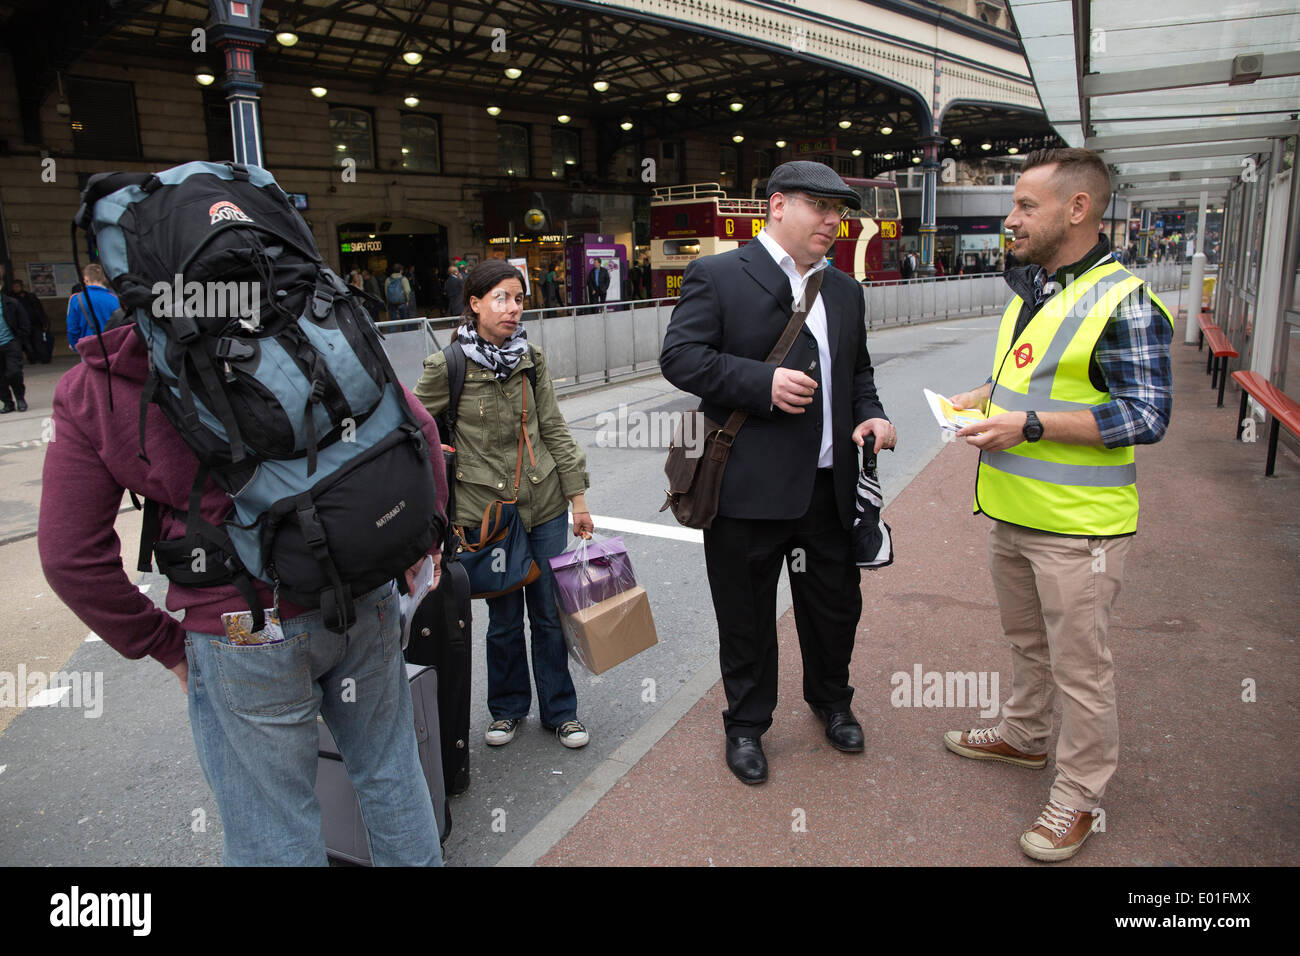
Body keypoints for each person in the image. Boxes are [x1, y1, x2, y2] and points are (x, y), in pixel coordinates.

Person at [37, 317, 449, 866]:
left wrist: (162, 644)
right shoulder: (303, 320)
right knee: (390, 773)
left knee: (273, 825)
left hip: (240, 625)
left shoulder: (100, 384)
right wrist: (422, 538)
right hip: (360, 591)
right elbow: (416, 427)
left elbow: (69, 557)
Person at [944, 147, 1173, 863]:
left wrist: (1029, 425)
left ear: (1078, 210)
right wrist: (980, 400)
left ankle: (1077, 796)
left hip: (1079, 531)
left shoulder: (1124, 300)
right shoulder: (1033, 288)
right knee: (1026, 645)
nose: (1010, 219)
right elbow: (1023, 379)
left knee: (1082, 667)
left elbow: (1146, 416)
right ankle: (1023, 735)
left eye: (1024, 206)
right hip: (1013, 512)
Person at [660, 161, 895, 785]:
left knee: (834, 609)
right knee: (745, 616)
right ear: (777, 206)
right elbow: (680, 357)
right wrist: (760, 381)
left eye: (839, 211)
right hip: (745, 489)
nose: (831, 220)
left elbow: (859, 373)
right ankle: (745, 725)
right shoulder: (716, 274)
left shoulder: (844, 290)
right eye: (819, 206)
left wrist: (871, 416)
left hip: (829, 489)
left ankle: (832, 701)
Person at [414, 259, 594, 750]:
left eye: (518, 299)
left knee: (550, 615)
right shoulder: (446, 366)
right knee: (503, 619)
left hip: (545, 507)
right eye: (501, 298)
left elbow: (553, 427)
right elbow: (416, 436)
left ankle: (562, 711)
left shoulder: (531, 360)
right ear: (474, 304)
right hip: (484, 518)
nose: (513, 309)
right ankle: (507, 709)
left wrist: (578, 500)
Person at [65, 263, 120, 355]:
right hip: (112, 347)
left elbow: (72, 328)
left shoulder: (76, 299)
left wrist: (75, 345)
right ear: (103, 278)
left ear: (85, 279)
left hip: (88, 347)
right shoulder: (115, 299)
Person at [1, 284, 30, 412]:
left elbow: (24, 323)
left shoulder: (12, 303)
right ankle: (7, 402)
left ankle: (20, 398)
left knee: (14, 372)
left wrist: (19, 340)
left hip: (10, 342)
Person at [10, 280, 52, 364]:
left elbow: (39, 309)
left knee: (38, 341)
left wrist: (43, 321)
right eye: (14, 287)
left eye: (17, 286)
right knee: (27, 343)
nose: (16, 288)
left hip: (34, 322)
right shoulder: (11, 298)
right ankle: (32, 358)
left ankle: (44, 357)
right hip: (21, 325)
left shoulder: (30, 296)